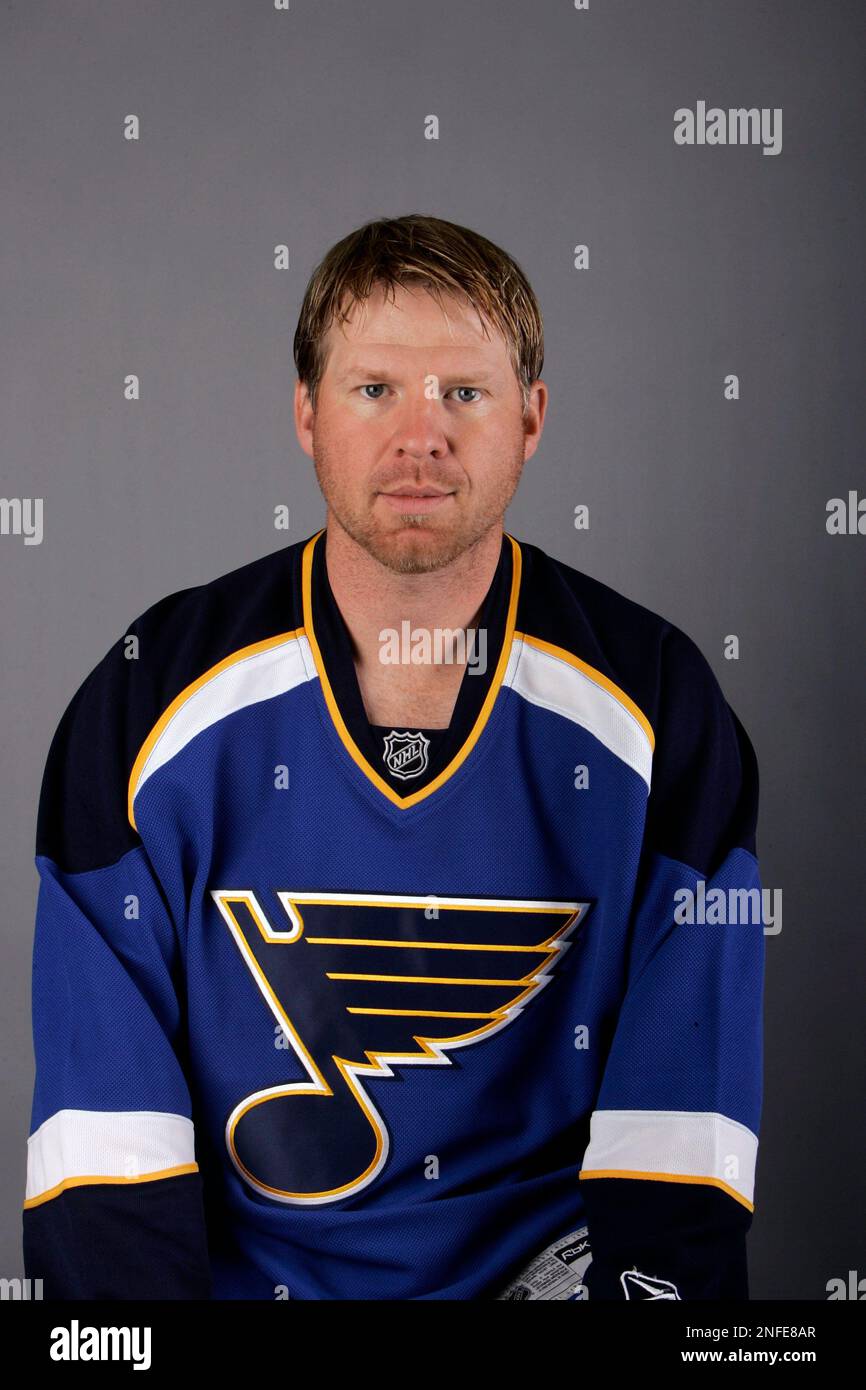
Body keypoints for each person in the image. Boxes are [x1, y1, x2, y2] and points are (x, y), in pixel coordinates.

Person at [22, 214, 764, 1300]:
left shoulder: (653, 702)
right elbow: (104, 1149)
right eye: (374, 390)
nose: (420, 439)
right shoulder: (147, 700)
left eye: (461, 392)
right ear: (306, 415)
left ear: (530, 419)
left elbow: (678, 1138)